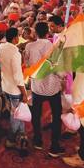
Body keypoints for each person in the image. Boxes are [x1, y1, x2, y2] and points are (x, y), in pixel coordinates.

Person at [25, 21, 65, 157]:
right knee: (56, 116)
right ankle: (54, 146)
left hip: (36, 87)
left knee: (36, 115)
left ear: (35, 33)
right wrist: (63, 79)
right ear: (48, 32)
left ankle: (37, 140)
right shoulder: (54, 48)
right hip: (52, 87)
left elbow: (27, 65)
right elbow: (59, 71)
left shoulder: (29, 46)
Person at [0, 27, 30, 152]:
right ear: (15, 38)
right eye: (18, 36)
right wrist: (24, 93)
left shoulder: (1, 47)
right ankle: (10, 139)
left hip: (5, 86)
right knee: (15, 115)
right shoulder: (15, 54)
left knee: (18, 112)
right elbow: (17, 76)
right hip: (14, 89)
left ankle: (21, 135)